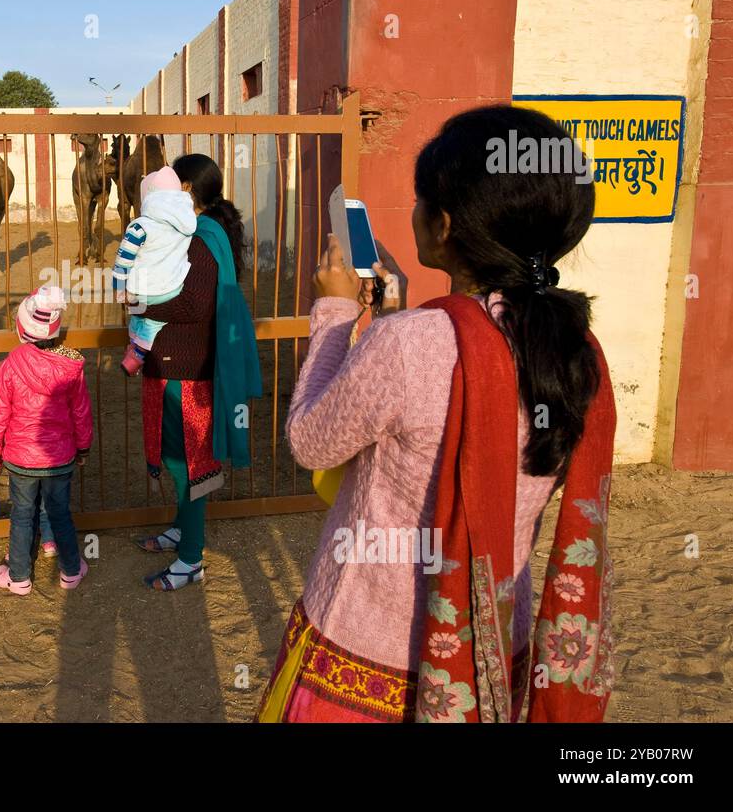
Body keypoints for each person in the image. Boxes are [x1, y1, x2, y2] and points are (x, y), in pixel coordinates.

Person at [258, 106, 616, 722]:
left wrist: (337, 316)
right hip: (491, 641)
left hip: (368, 650)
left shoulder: (411, 344)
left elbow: (311, 442)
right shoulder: (574, 349)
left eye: (421, 200)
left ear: (443, 225)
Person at [133, 154, 262, 591]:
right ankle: (182, 530)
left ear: (185, 191)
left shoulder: (202, 240)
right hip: (171, 365)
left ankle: (191, 558)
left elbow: (195, 305)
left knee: (192, 466)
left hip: (187, 370)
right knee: (176, 458)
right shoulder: (189, 234)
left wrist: (141, 305)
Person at [0, 285, 93, 595]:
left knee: (22, 514)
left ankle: (19, 577)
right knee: (59, 511)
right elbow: (81, 412)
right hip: (59, 457)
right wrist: (83, 447)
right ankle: (70, 570)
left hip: (21, 458)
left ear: (22, 328)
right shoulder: (72, 367)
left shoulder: (11, 365)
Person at [111, 165, 196, 376]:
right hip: (173, 290)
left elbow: (123, 261)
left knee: (139, 315)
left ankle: (136, 351)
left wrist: (119, 289)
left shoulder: (140, 227)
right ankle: (139, 351)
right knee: (152, 321)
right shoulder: (186, 226)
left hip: (144, 291)